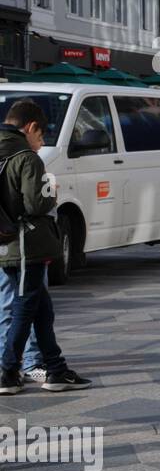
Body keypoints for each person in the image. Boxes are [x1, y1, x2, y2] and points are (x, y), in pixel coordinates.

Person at [0, 100, 92, 394]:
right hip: (28, 244)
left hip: (7, 243)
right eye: (40, 137)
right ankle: (7, 370)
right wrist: (51, 193)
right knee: (26, 307)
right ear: (31, 127)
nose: (41, 144)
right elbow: (35, 203)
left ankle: (56, 369)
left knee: (41, 308)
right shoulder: (26, 158)